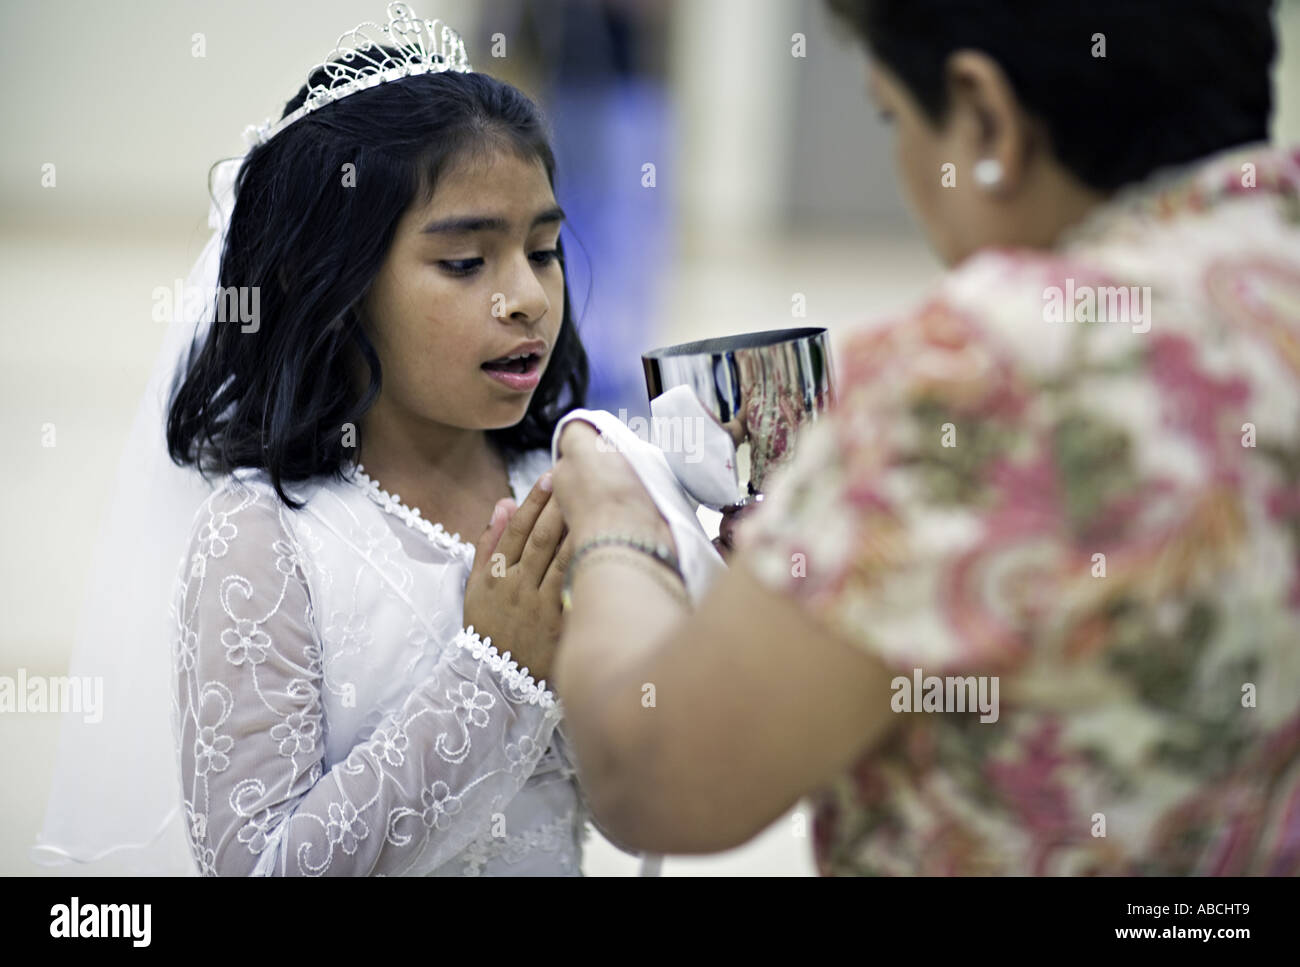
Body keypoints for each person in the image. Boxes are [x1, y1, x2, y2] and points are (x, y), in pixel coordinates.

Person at [550, 0, 1300, 875]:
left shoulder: (983, 366)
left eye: (892, 116)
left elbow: (657, 777)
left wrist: (617, 528)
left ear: (984, 116)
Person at [40, 7, 592, 877]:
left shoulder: (561, 482)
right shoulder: (268, 540)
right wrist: (493, 674)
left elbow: (641, 802)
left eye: (546, 249)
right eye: (464, 263)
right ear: (332, 283)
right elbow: (261, 867)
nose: (526, 296)